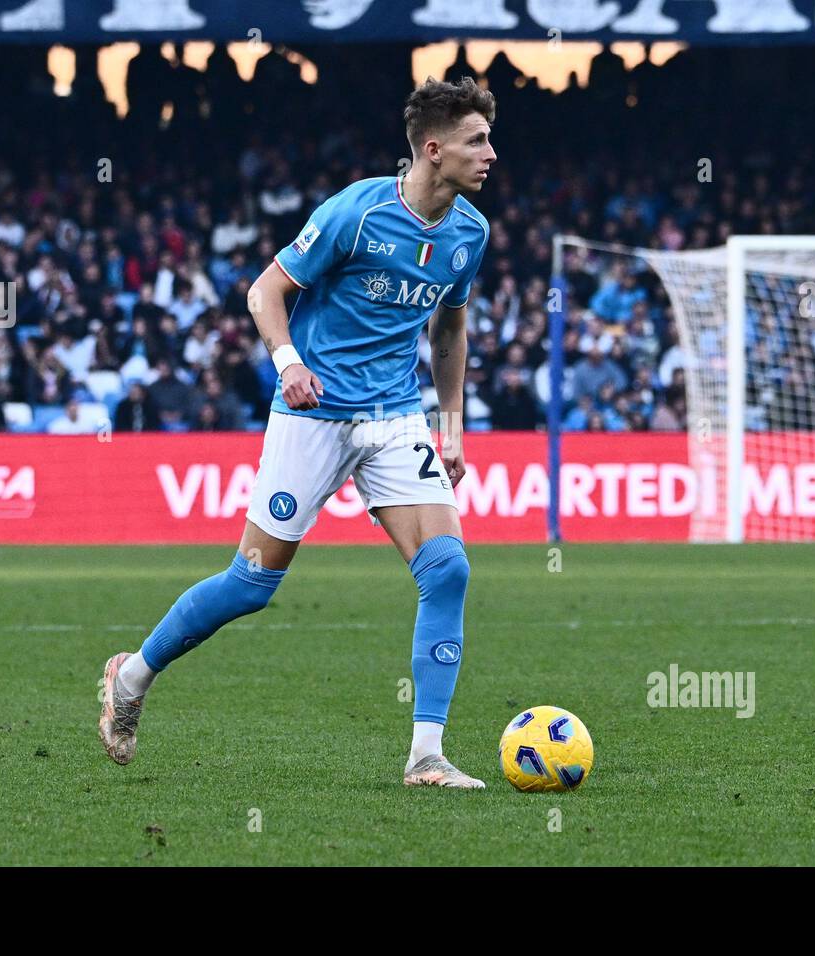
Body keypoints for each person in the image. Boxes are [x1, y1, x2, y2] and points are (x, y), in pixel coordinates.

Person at [98, 77, 497, 788]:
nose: (490, 153)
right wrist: (288, 364)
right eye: (476, 141)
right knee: (251, 585)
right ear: (433, 150)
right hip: (313, 415)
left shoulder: (470, 232)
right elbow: (265, 291)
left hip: (395, 417)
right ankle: (130, 677)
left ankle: (425, 755)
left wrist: (453, 424)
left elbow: (450, 328)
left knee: (449, 570)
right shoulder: (358, 211)